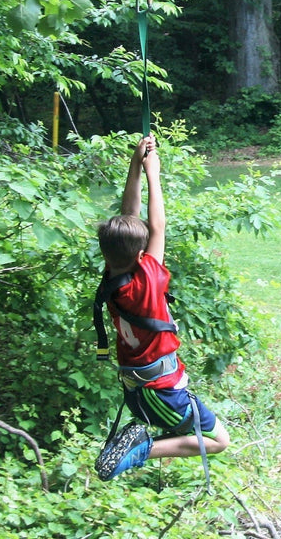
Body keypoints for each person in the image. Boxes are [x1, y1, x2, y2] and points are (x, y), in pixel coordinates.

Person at [93, 135, 230, 480]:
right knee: (218, 440)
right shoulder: (147, 281)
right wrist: (153, 172)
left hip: (142, 386)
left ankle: (141, 444)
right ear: (141, 256)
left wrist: (135, 165)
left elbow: (130, 219)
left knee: (205, 434)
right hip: (162, 391)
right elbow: (157, 226)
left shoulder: (114, 277)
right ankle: (141, 450)